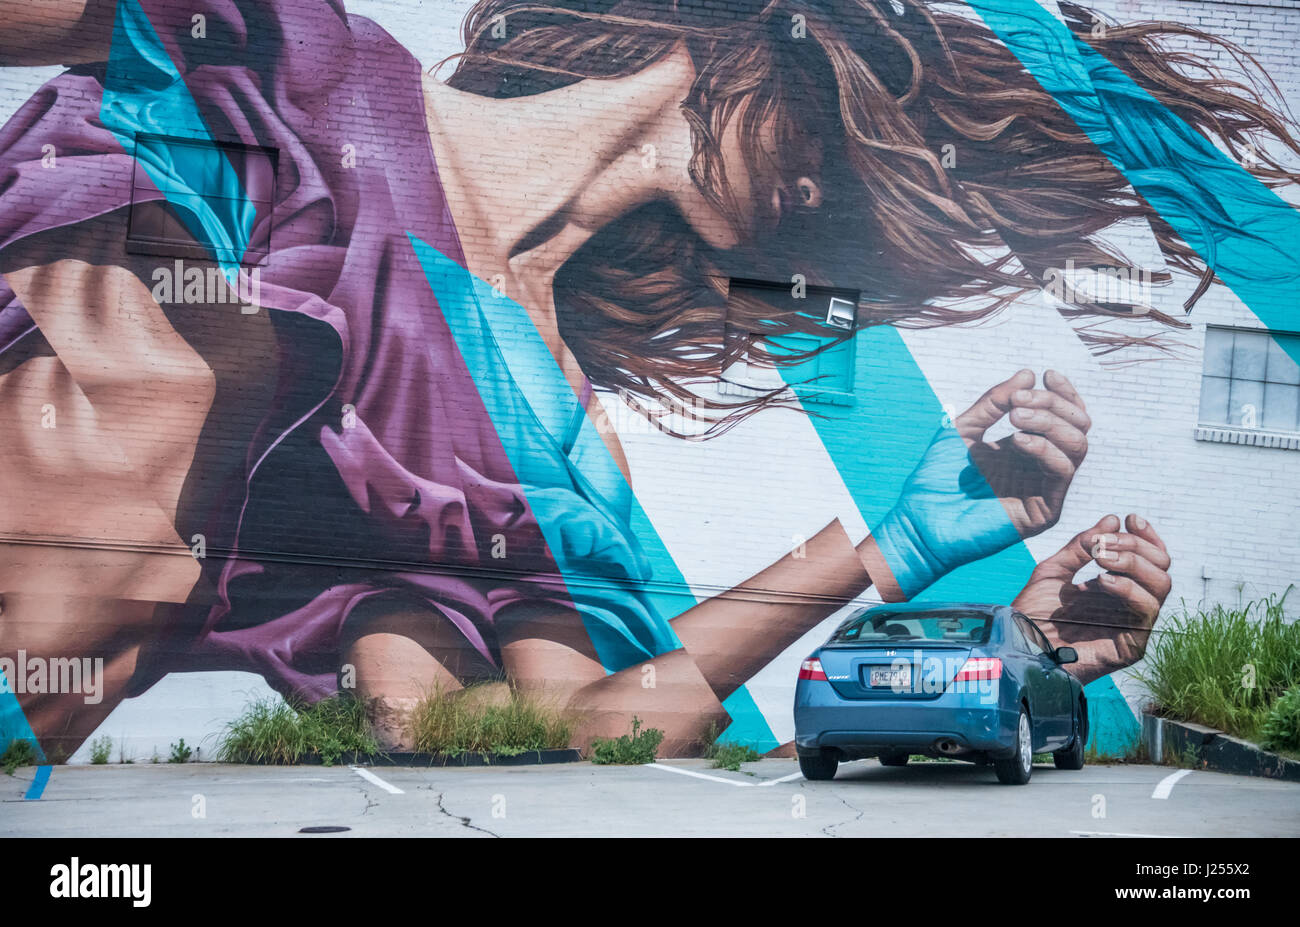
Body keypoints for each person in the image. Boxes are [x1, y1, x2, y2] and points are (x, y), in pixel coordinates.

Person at [0, 0, 1292, 756]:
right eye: (844, 137)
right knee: (179, 392)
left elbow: (578, 731)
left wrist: (887, 547)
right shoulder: (300, 57)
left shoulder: (541, 439)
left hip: (33, 723)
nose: (830, 189)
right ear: (763, 38)